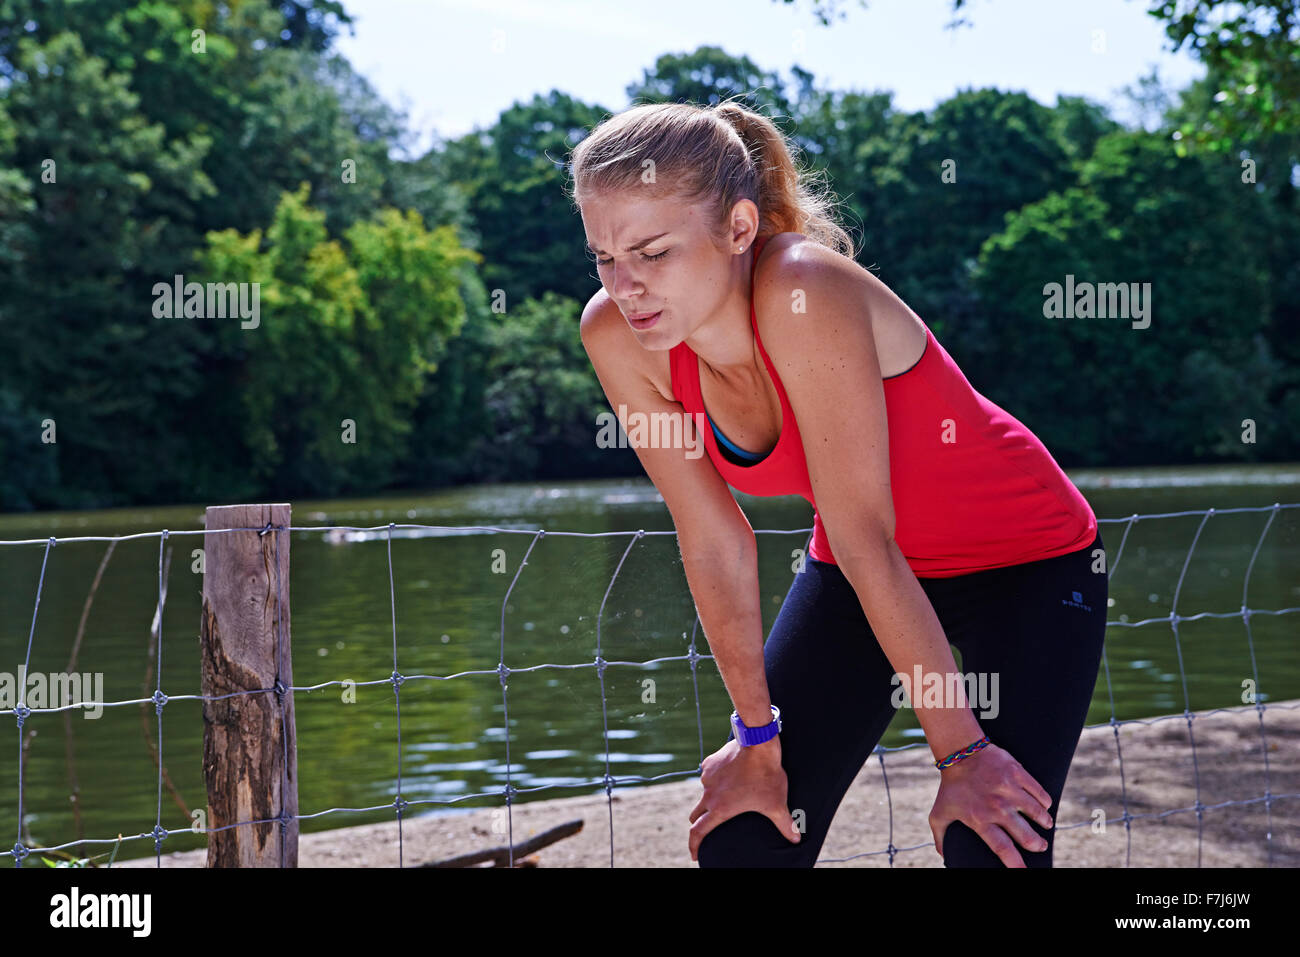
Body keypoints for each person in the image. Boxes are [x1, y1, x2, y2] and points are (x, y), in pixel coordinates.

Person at [567, 98, 1107, 868]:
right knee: (746, 838)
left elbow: (865, 536)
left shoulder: (801, 290)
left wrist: (960, 756)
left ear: (740, 229)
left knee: (989, 842)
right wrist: (757, 740)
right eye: (604, 257)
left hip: (1028, 560)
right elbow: (712, 536)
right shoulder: (616, 336)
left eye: (654, 253)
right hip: (861, 571)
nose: (627, 286)